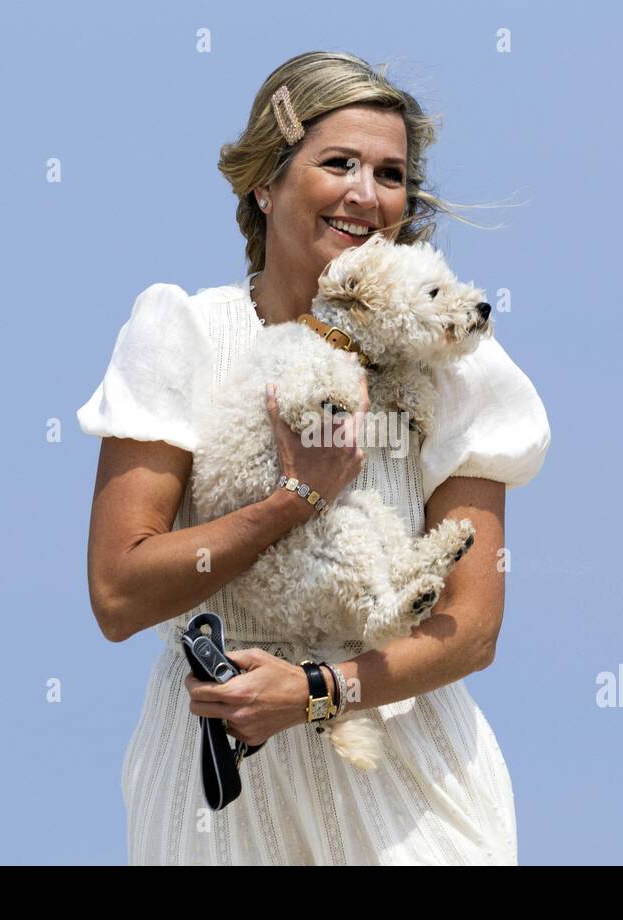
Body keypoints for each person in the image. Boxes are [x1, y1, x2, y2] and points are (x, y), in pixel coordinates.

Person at [77, 51, 551, 865]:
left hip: (405, 782)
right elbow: (119, 594)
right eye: (339, 163)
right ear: (267, 181)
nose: (367, 194)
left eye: (392, 174)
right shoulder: (183, 336)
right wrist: (293, 499)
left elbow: (472, 629)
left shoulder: (459, 366)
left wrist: (316, 694)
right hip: (218, 779)